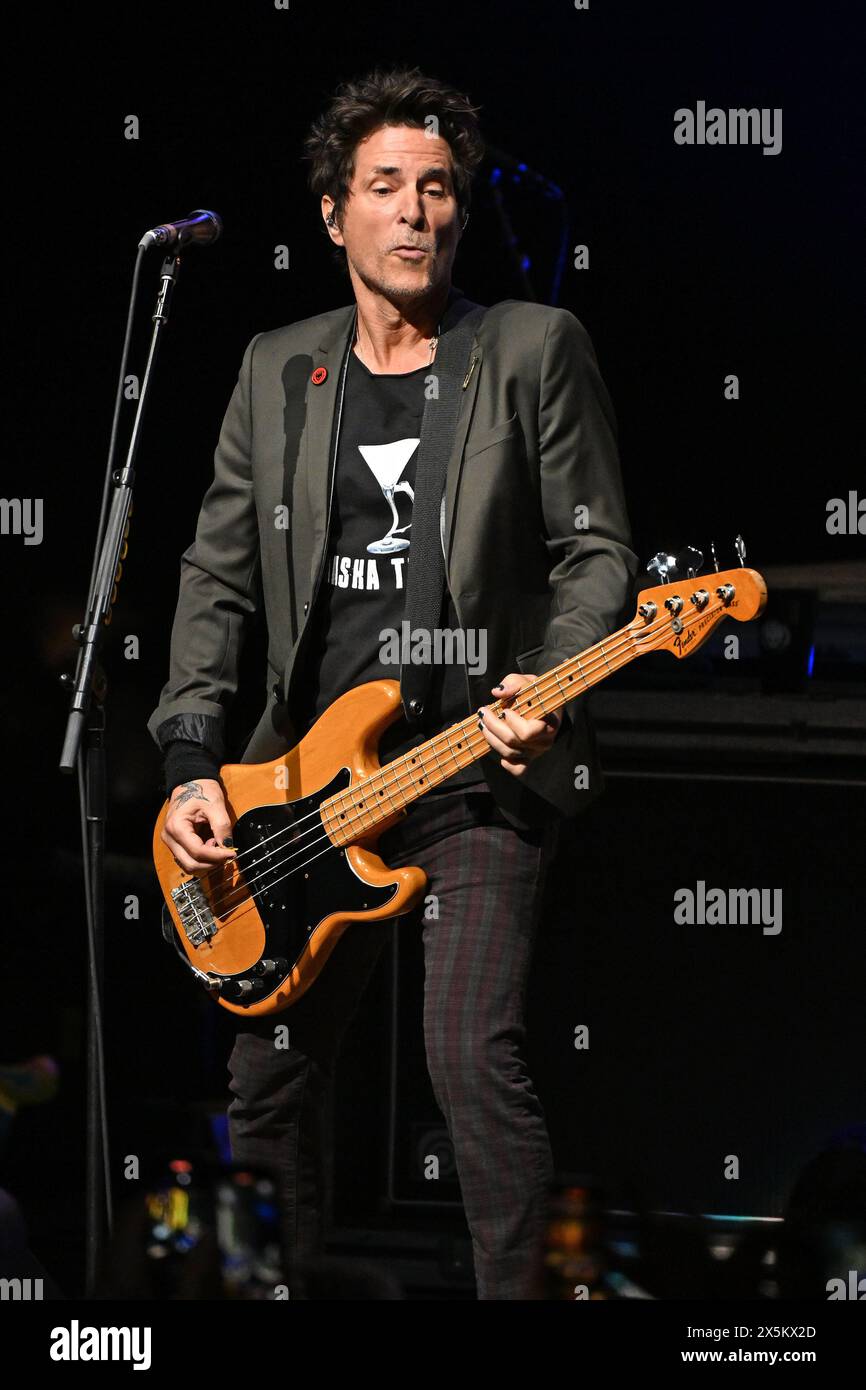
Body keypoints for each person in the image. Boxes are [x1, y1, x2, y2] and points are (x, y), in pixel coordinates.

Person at [147, 64, 639, 1299]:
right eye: (384, 187)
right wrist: (190, 763)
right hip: (302, 789)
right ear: (331, 212)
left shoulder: (527, 348)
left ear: (459, 214)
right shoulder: (277, 367)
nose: (414, 212)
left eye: (437, 190)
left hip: (470, 769)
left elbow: (596, 552)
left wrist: (546, 687)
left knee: (469, 1060)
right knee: (265, 1086)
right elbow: (215, 578)